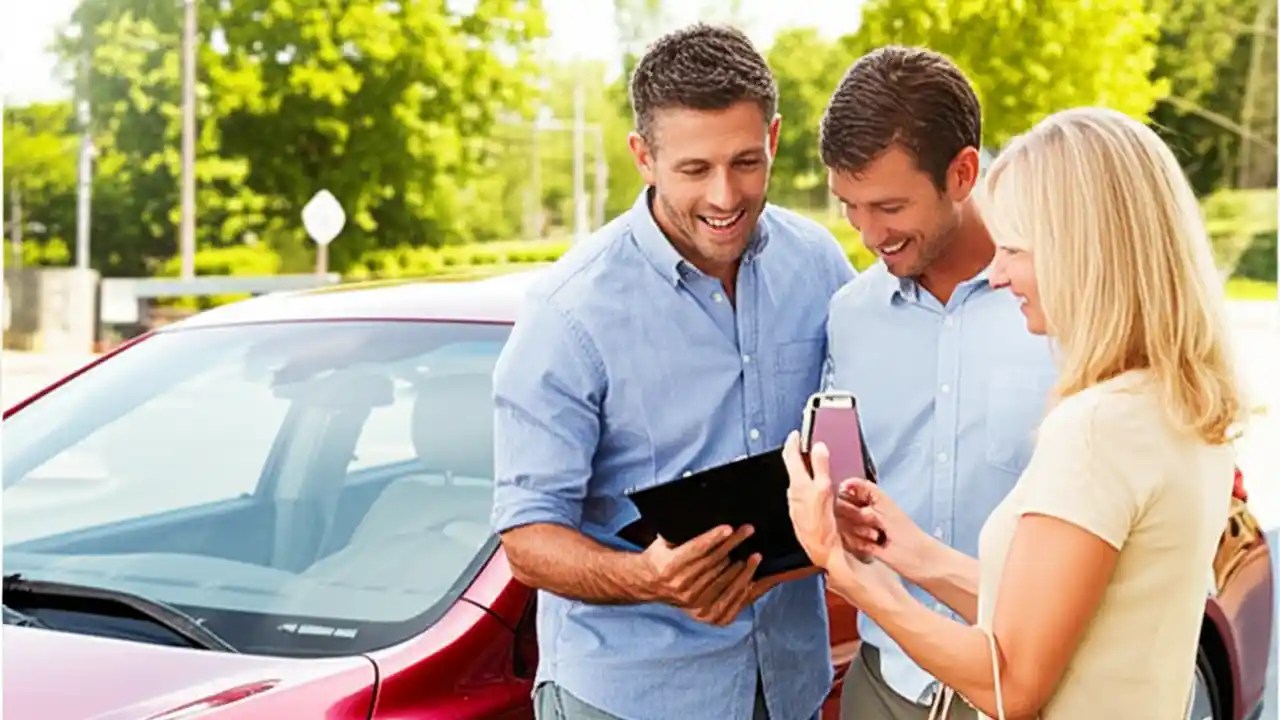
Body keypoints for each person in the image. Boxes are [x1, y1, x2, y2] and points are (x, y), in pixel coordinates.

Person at [784, 105, 1245, 719]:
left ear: (1084, 253)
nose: (996, 276)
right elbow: (1056, 613)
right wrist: (911, 550)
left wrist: (845, 570)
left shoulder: (1094, 430)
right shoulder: (1176, 401)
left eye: (1015, 250)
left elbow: (1012, 686)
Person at [489, 23, 856, 720]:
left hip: (790, 686)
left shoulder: (820, 268)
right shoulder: (570, 315)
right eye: (695, 169)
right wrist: (647, 578)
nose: (725, 195)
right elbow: (527, 538)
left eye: (746, 162)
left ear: (774, 139)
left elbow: (848, 447)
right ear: (644, 157)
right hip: (630, 698)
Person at [813, 46, 1056, 718]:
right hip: (885, 685)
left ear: (962, 172)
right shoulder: (849, 316)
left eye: (888, 206)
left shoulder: (1061, 306)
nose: (867, 234)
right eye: (849, 206)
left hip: (1035, 686)